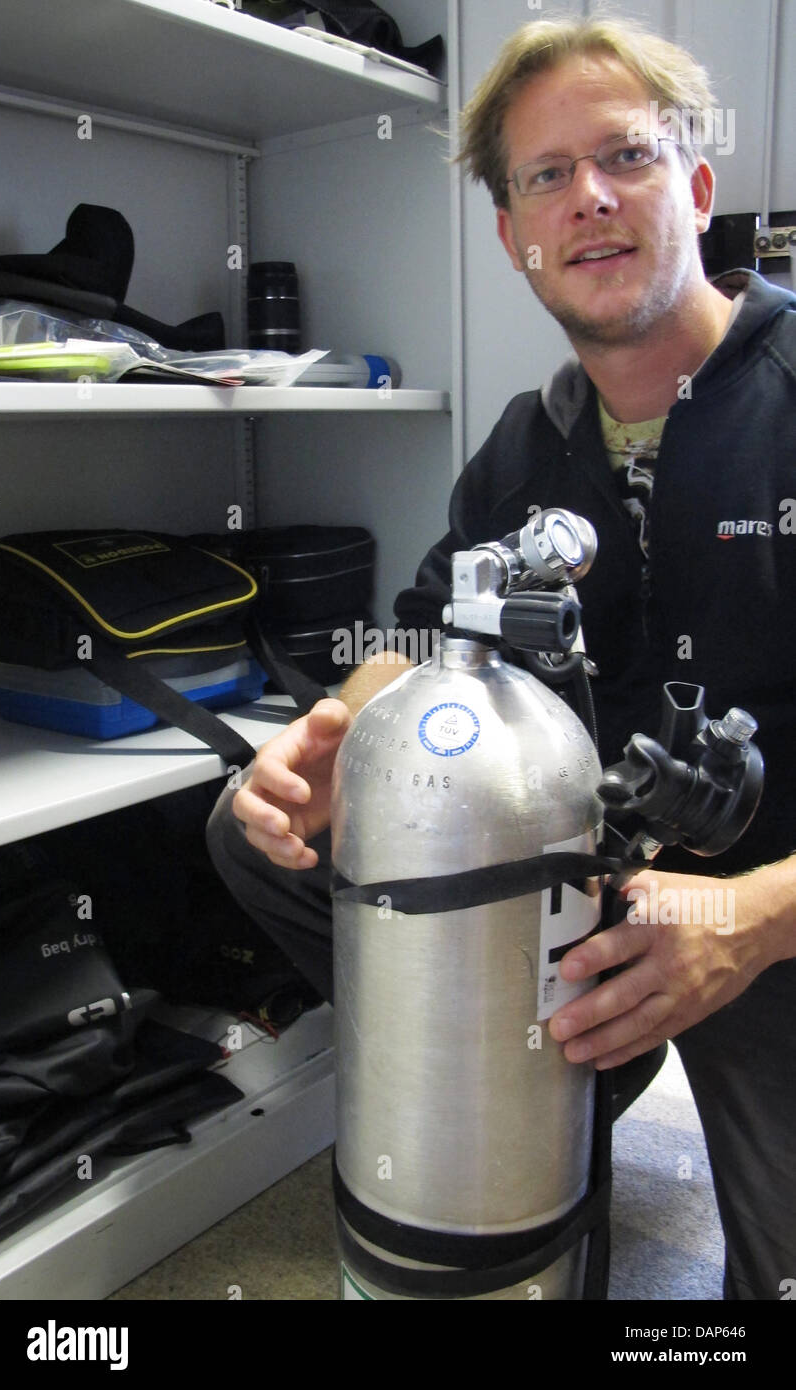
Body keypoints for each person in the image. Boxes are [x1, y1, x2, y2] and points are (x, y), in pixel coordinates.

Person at [207, 13, 796, 1300]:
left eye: (624, 156)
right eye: (542, 177)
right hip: (583, 899)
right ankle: (518, 1059)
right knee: (249, 831)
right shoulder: (529, 449)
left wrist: (751, 921)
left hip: (776, 918)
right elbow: (423, 638)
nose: (585, 198)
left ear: (696, 187)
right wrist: (323, 745)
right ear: (514, 235)